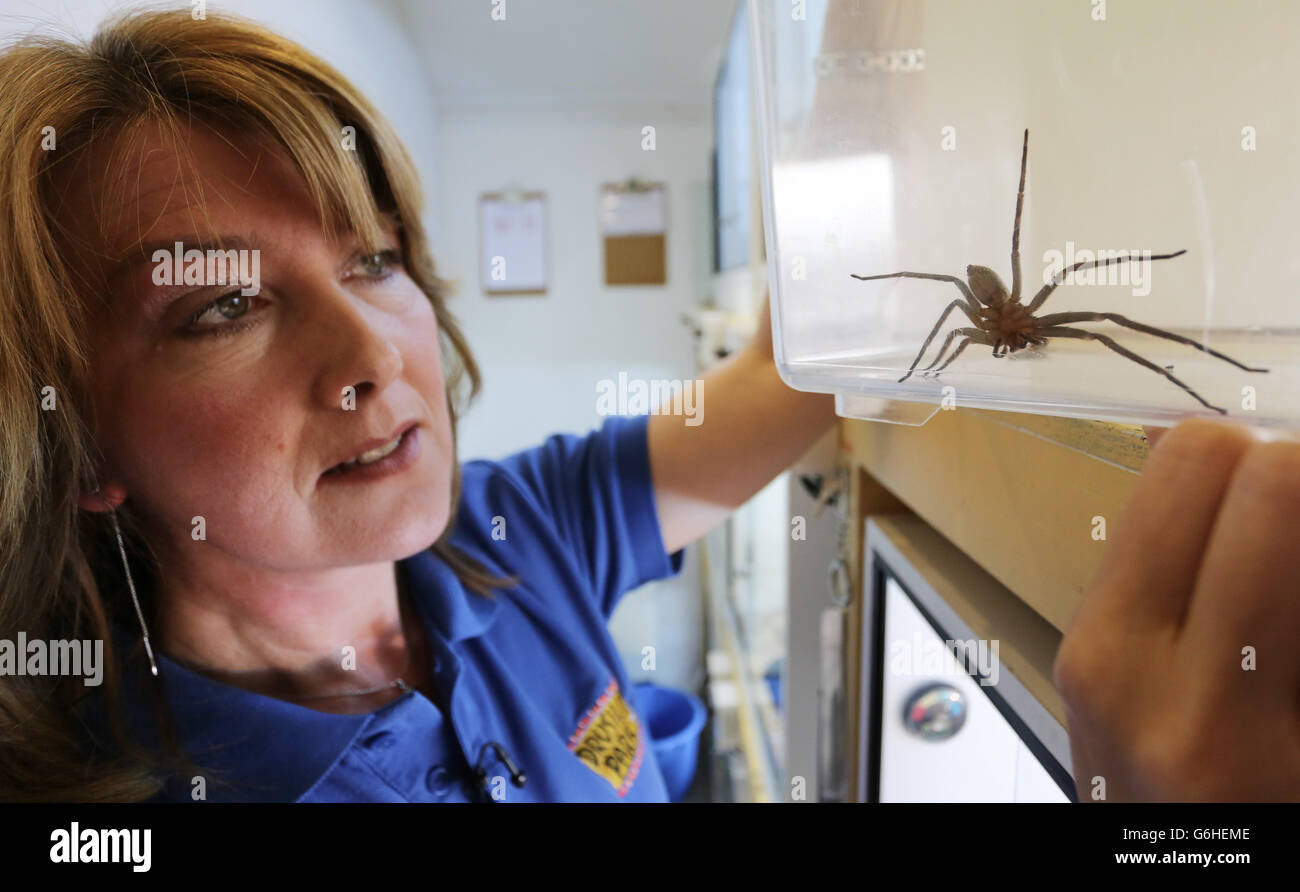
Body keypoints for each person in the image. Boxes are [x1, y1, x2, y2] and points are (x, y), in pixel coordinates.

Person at [0, 8, 1294, 803]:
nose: (375, 354)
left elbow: (801, 367)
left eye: (376, 258)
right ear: (82, 442)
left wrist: (869, 55)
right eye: (223, 307)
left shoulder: (515, 532)